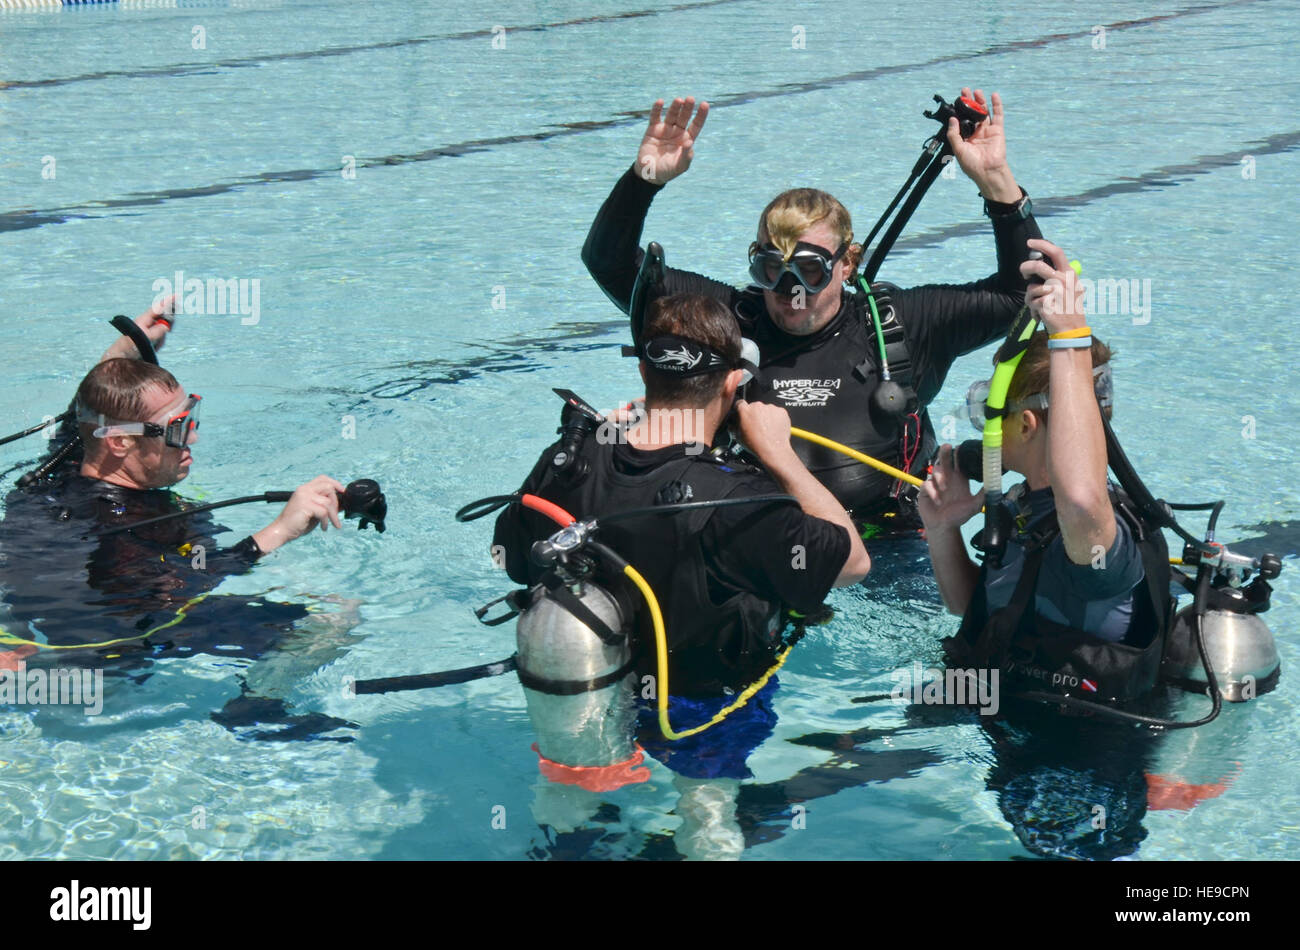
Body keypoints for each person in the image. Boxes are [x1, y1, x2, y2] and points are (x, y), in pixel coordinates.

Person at [492, 293, 869, 858]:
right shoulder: (740, 497)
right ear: (729, 385)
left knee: (570, 813)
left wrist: (604, 442)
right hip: (703, 711)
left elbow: (510, 557)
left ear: (644, 370)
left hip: (586, 692)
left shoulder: (569, 459)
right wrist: (780, 454)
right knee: (707, 816)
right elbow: (853, 563)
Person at [581, 89, 1045, 529]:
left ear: (847, 263)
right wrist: (642, 182)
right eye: (769, 269)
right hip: (765, 540)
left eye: (810, 270)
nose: (789, 290)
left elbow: (1018, 294)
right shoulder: (724, 321)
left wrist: (996, 182)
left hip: (889, 551)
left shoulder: (899, 325)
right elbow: (608, 262)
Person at [0, 301, 359, 739]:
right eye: (177, 427)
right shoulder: (116, 531)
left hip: (59, 618)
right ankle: (253, 710)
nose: (193, 436)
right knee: (332, 619)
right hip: (112, 656)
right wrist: (278, 532)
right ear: (118, 444)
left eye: (192, 417)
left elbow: (87, 413)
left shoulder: (56, 470)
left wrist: (127, 352)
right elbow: (182, 590)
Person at [919, 239, 1170, 697]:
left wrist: (1069, 335)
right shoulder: (1022, 506)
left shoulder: (1099, 534)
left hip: (1081, 761)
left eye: (990, 412)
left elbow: (1080, 496)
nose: (983, 426)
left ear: (1028, 424)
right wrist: (942, 530)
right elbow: (978, 610)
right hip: (1015, 739)